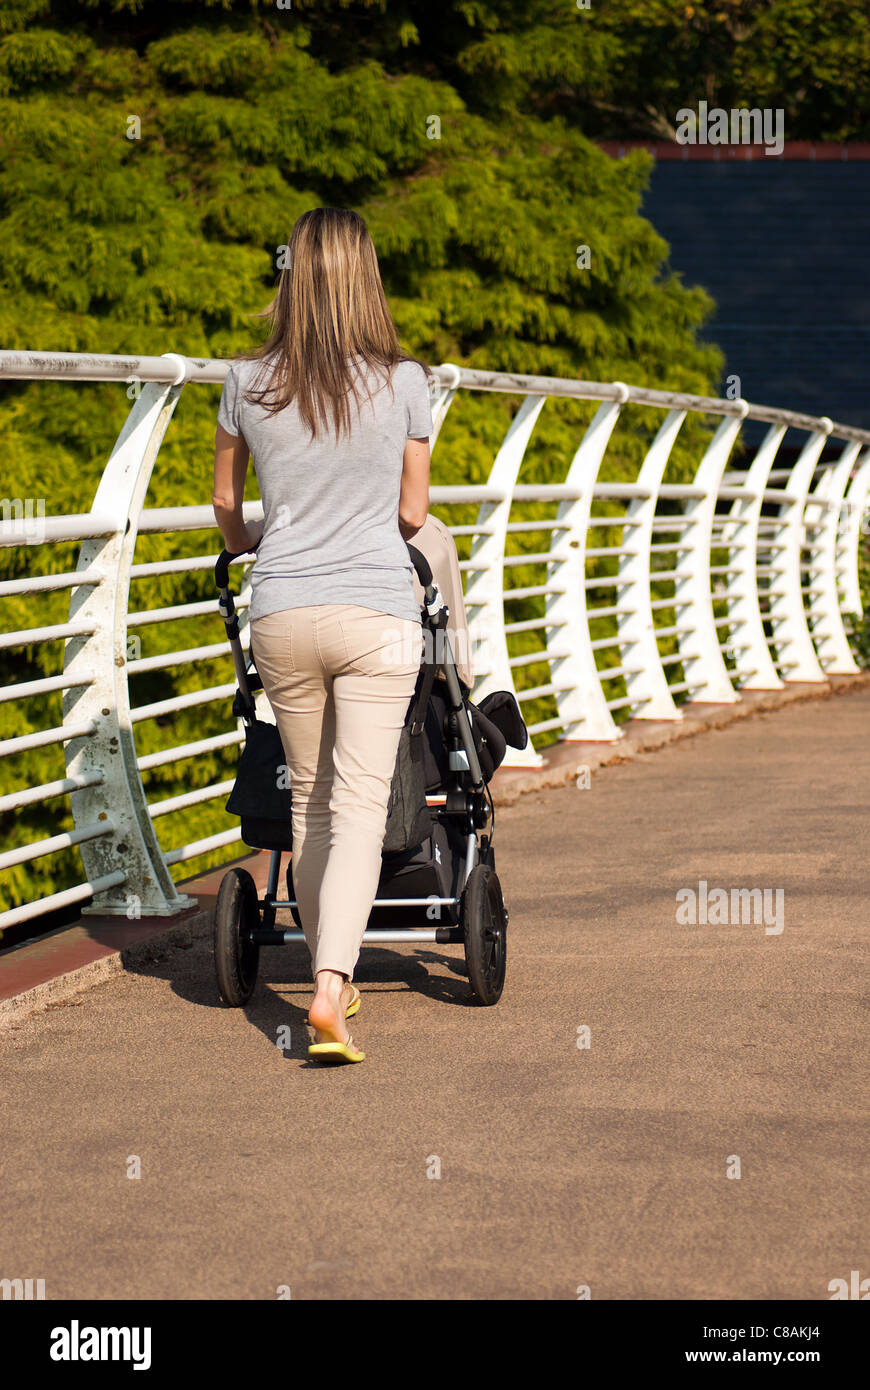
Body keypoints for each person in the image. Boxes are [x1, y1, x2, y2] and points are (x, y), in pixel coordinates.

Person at [212, 207, 432, 1065]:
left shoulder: (246, 380)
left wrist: (255, 544)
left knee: (307, 802)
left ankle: (320, 975)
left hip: (284, 610)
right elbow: (412, 512)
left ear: (292, 275)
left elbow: (229, 509)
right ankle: (332, 990)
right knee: (359, 804)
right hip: (376, 609)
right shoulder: (405, 381)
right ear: (366, 277)